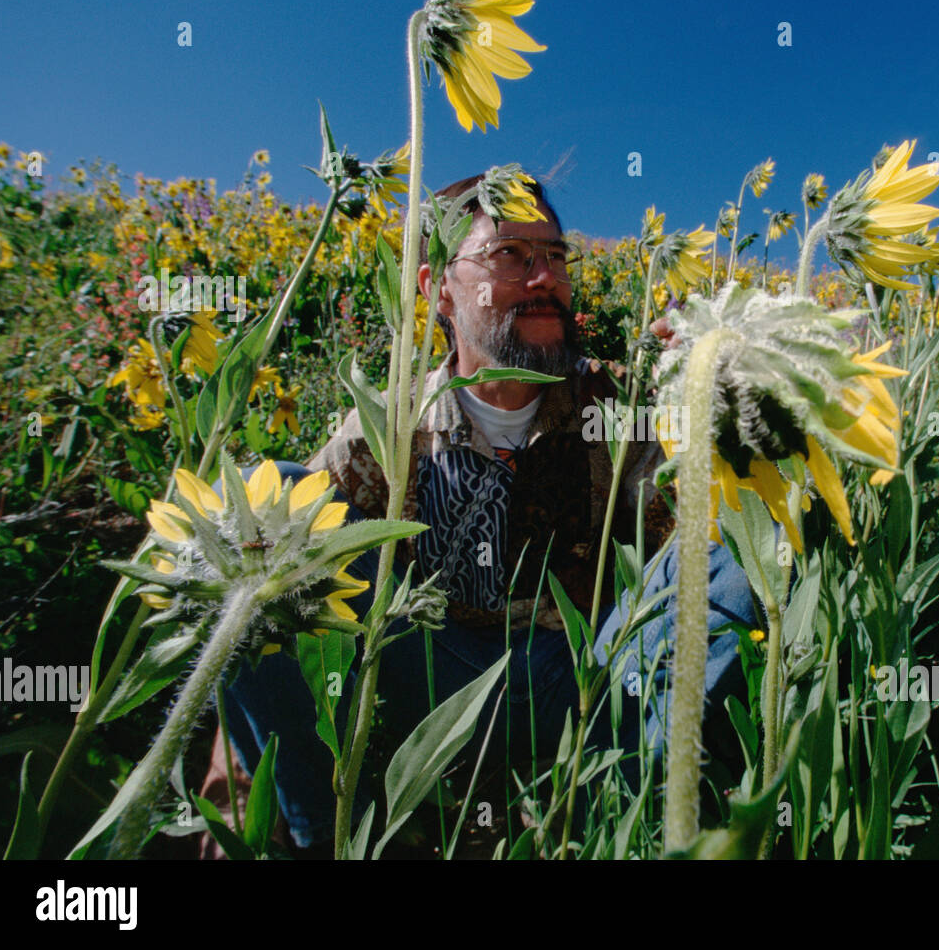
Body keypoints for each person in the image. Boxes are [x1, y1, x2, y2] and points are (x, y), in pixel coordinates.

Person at [205, 170, 759, 855]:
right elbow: (266, 566)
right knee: (261, 509)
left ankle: (624, 819)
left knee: (730, 536)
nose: (544, 276)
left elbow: (685, 540)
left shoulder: (612, 407)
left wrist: (709, 391)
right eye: (510, 255)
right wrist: (228, 752)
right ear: (439, 285)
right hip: (433, 678)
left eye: (555, 256)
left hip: (587, 682)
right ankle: (321, 830)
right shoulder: (391, 425)